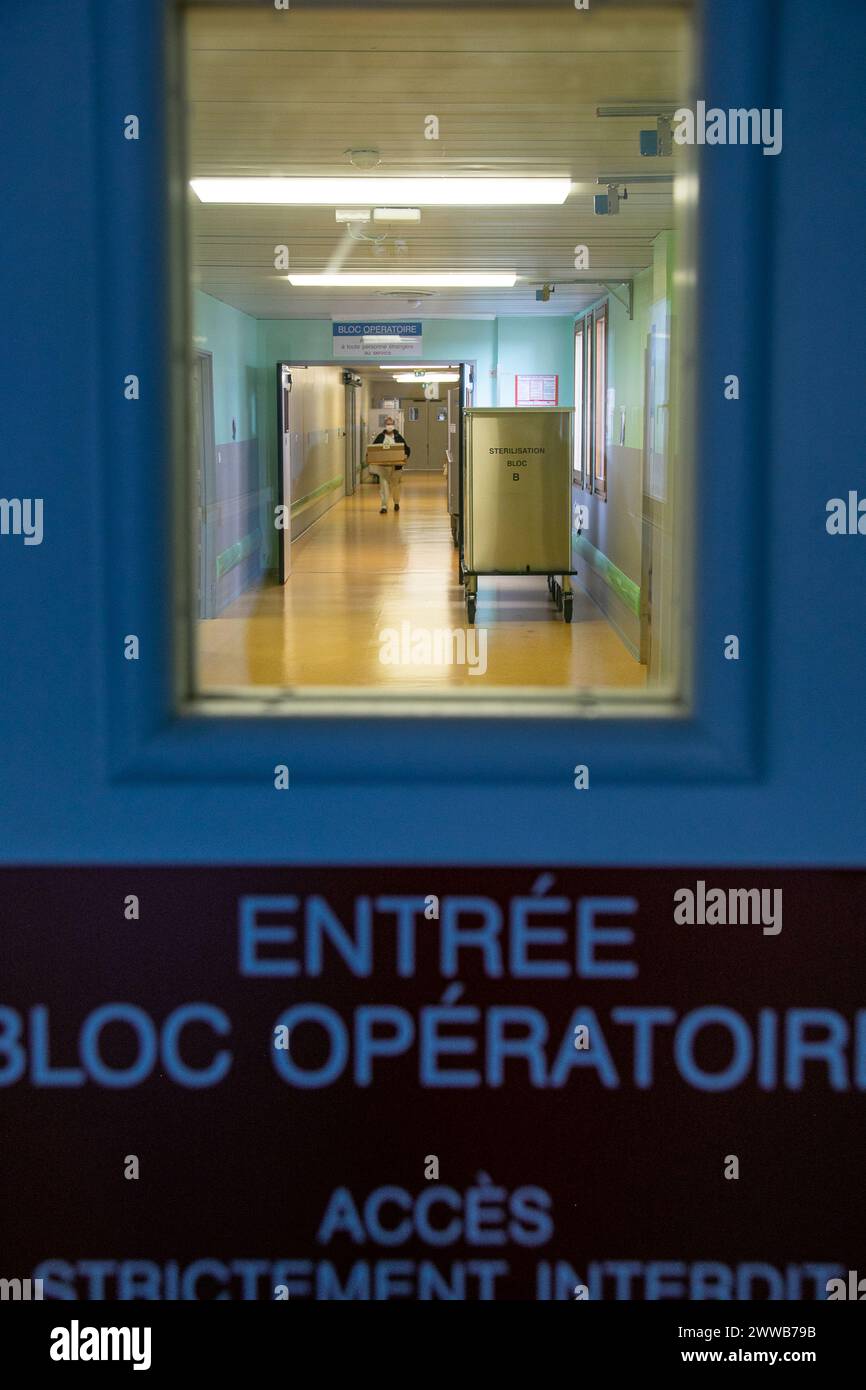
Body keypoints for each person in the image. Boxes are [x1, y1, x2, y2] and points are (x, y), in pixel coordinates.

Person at [371, 416, 411, 513]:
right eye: (388, 424)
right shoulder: (380, 437)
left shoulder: (398, 437)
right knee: (383, 485)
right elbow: (373, 449)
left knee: (395, 485)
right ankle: (384, 506)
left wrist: (406, 456)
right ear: (385, 425)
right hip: (383, 467)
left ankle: (396, 502)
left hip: (396, 466)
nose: (389, 426)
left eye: (391, 424)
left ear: (393, 425)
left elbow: (407, 449)